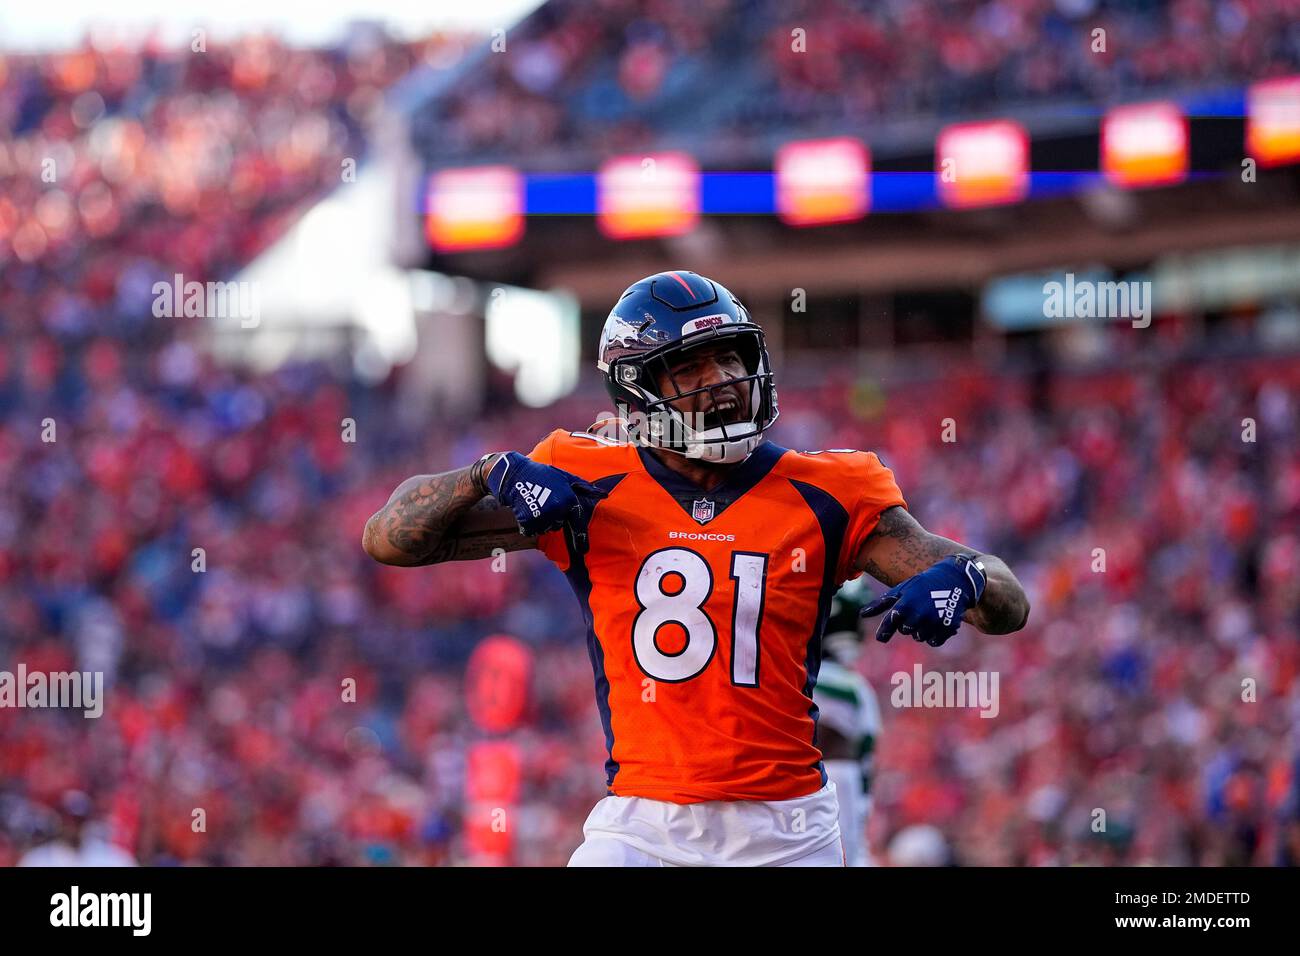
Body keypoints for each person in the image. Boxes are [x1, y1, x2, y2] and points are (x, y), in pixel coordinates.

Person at [363, 271, 1030, 867]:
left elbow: (1008, 603)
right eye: (691, 368)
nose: (723, 383)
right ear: (638, 388)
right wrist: (485, 472)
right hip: (643, 823)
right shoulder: (588, 478)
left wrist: (969, 579)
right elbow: (390, 539)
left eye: (730, 359)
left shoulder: (832, 488)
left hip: (789, 830)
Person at [813, 576, 883, 866]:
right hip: (843, 837)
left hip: (831, 837)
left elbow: (835, 771)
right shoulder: (853, 686)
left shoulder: (833, 684)